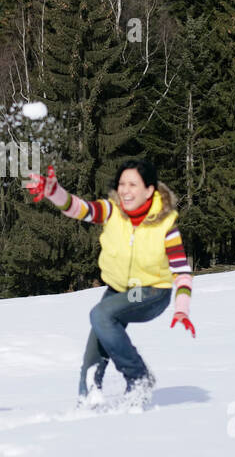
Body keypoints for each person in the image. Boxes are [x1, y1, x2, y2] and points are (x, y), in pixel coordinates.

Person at [25, 158, 195, 407]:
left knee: (101, 314)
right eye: (122, 184)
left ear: (149, 190)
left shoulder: (164, 225)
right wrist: (54, 192)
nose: (125, 190)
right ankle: (88, 403)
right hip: (119, 290)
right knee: (92, 358)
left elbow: (181, 271)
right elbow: (80, 209)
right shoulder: (113, 210)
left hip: (149, 293)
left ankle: (138, 377)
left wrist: (182, 308)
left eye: (133, 184)